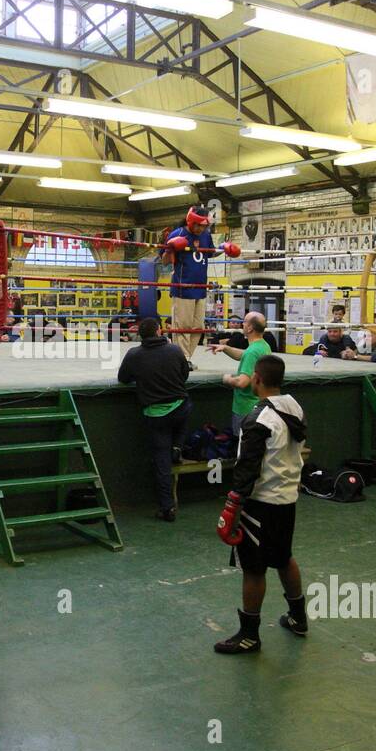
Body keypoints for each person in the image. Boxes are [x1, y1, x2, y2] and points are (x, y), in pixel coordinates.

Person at [211, 354, 308, 654]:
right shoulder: (294, 406)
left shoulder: (258, 420)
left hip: (262, 502)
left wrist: (233, 505)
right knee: (283, 557)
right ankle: (298, 617)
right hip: (287, 497)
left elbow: (248, 467)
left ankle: (249, 634)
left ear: (258, 379)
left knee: (253, 568)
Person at [117, 317, 192, 522]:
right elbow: (184, 375)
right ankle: (178, 445)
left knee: (161, 462)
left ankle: (167, 507)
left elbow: (123, 378)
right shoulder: (175, 350)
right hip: (180, 407)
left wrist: (142, 373)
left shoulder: (134, 355)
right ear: (159, 331)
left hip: (156, 415)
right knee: (186, 407)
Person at [165, 206, 229, 367]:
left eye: (204, 225)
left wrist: (224, 248)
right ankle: (182, 359)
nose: (201, 228)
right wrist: (171, 248)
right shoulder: (177, 234)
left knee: (198, 327)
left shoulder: (206, 236)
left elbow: (209, 253)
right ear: (191, 221)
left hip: (200, 288)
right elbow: (164, 260)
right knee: (182, 327)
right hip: (182, 288)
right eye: (199, 225)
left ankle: (185, 358)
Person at [207, 313, 273, 436]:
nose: (242, 324)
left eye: (245, 321)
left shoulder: (252, 351)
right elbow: (245, 354)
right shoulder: (263, 345)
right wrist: (225, 348)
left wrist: (226, 379)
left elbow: (241, 382)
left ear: (250, 328)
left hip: (245, 408)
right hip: (257, 405)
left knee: (243, 446)